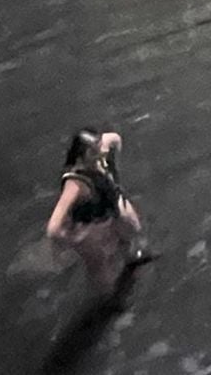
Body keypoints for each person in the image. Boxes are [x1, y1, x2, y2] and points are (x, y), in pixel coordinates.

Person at [45, 128, 152, 299]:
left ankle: (132, 257)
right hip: (91, 222)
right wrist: (71, 239)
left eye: (99, 148)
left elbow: (115, 139)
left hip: (110, 201)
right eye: (93, 153)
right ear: (82, 155)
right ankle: (108, 297)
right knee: (99, 264)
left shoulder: (104, 146)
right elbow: (53, 227)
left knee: (131, 227)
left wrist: (114, 170)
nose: (100, 153)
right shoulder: (75, 184)